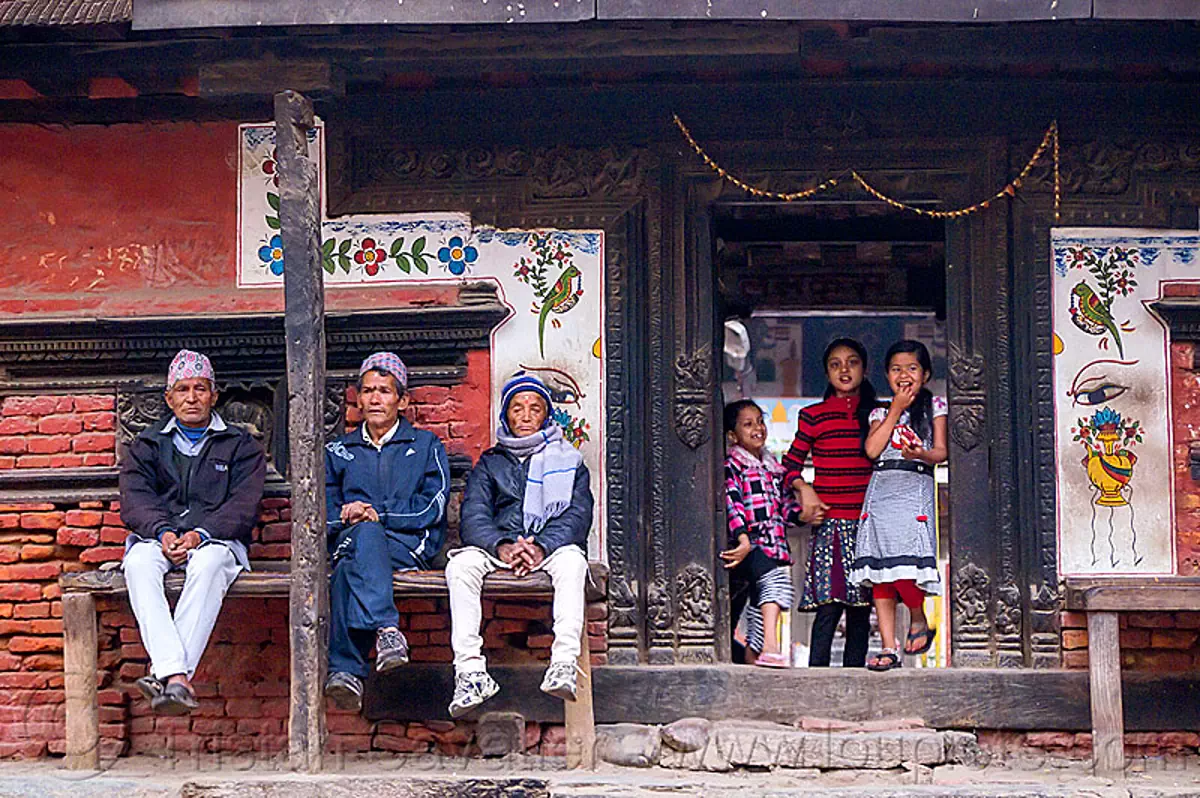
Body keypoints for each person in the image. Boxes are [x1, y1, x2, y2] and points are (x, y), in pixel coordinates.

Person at [120, 350, 266, 715]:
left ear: (214, 395)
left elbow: (243, 505)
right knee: (138, 563)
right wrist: (163, 531)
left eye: (200, 389)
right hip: (160, 538)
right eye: (182, 389)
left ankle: (165, 673)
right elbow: (135, 498)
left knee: (211, 564)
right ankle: (178, 678)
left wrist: (201, 534)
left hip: (216, 540)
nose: (191, 397)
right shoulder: (148, 445)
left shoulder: (241, 446)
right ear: (169, 398)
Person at [446, 373, 593, 718]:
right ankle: (470, 673)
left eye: (535, 408)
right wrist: (502, 546)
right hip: (500, 549)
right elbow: (475, 515)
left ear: (546, 416)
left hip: (548, 550)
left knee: (573, 563)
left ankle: (563, 663)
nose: (526, 416)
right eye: (517, 408)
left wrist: (540, 547)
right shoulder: (490, 463)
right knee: (460, 566)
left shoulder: (570, 461)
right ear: (506, 416)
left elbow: (577, 516)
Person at [324, 352, 450, 711]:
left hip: (408, 546)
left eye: (384, 391)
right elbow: (323, 512)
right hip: (354, 539)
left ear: (403, 400)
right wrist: (350, 516)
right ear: (358, 399)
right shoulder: (338, 450)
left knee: (351, 567)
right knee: (361, 542)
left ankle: (345, 670)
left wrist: (380, 515)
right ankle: (388, 631)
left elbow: (433, 506)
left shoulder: (426, 446)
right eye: (367, 391)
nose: (375, 399)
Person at [849, 340, 948, 672]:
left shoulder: (935, 406)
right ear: (887, 376)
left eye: (912, 368)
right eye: (896, 369)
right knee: (880, 573)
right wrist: (895, 409)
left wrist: (920, 452)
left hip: (914, 488)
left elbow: (941, 452)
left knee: (904, 567)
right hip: (881, 493)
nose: (904, 375)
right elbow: (873, 450)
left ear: (926, 373)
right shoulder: (879, 411)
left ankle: (918, 617)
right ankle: (888, 647)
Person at [782, 338, 878, 668]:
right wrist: (804, 488)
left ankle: (853, 686)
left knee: (861, 612)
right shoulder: (813, 416)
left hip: (868, 525)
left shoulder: (878, 415)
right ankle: (816, 685)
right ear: (826, 373)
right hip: (830, 525)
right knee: (828, 608)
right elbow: (788, 465)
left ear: (864, 370)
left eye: (852, 362)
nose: (844, 370)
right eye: (835, 364)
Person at [722, 399, 799, 668]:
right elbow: (732, 502)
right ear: (733, 436)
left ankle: (754, 654)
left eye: (760, 421)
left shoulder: (771, 465)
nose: (758, 428)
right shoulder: (734, 464)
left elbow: (783, 506)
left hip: (774, 542)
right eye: (748, 424)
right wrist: (741, 537)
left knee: (760, 600)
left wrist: (802, 514)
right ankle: (771, 645)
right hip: (752, 543)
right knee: (775, 583)